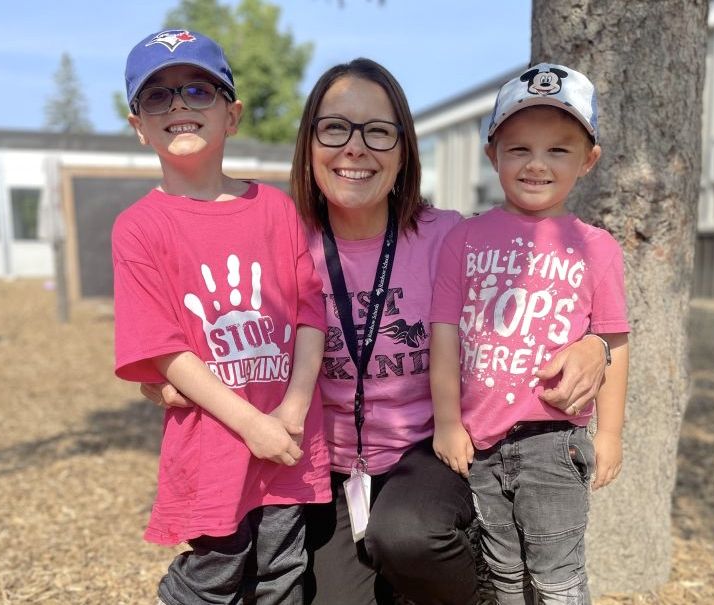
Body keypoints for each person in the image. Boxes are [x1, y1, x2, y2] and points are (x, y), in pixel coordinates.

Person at [144, 58, 612, 605]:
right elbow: (205, 318)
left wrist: (595, 344)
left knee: (408, 536)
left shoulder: (450, 236)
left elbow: (548, 296)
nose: (355, 148)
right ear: (309, 144)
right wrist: (163, 377)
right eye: (334, 128)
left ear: (404, 149)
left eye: (378, 132)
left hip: (432, 455)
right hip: (327, 468)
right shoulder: (278, 238)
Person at [112, 29, 331, 605]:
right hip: (213, 444)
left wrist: (293, 408)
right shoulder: (139, 228)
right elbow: (163, 348)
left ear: (231, 115)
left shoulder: (276, 209)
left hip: (289, 433)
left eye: (197, 90)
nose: (178, 105)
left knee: (283, 569)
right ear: (138, 126)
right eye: (157, 96)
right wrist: (252, 424)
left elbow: (311, 314)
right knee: (217, 571)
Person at [430, 63, 630, 604]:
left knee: (556, 573)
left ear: (588, 161)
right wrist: (448, 421)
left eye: (558, 150)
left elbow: (613, 341)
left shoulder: (597, 247)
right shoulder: (463, 239)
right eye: (518, 149)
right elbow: (444, 335)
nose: (536, 163)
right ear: (492, 155)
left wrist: (610, 434)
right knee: (502, 572)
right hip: (481, 443)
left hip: (554, 442)